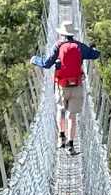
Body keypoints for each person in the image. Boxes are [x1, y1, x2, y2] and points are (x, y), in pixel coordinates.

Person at [33, 20, 100, 154]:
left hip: (62, 86)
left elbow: (46, 64)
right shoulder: (79, 46)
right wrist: (92, 48)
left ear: (62, 34)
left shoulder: (58, 46)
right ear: (72, 34)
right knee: (72, 116)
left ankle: (61, 137)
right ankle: (71, 145)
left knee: (61, 111)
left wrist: (35, 59)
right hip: (77, 86)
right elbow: (96, 55)